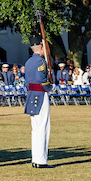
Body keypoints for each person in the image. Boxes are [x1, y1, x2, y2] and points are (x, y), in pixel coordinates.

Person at [25, 37, 53, 169]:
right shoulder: (40, 61)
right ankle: (41, 160)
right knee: (42, 128)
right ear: (41, 48)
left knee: (36, 129)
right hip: (41, 95)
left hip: (31, 95)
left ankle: (36, 158)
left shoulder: (29, 61)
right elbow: (42, 78)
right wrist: (50, 88)